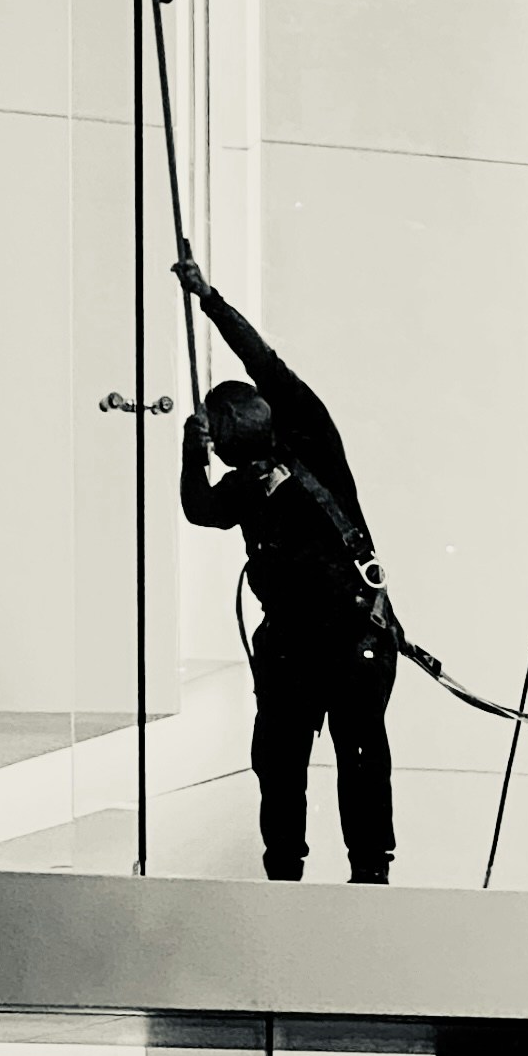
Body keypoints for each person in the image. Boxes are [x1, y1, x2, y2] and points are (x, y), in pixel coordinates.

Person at [176, 261, 395, 885]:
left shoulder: (310, 437)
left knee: (349, 759)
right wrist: (191, 456)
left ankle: (362, 875)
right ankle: (301, 875)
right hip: (310, 645)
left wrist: (210, 301)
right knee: (288, 763)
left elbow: (260, 358)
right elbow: (201, 509)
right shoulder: (250, 484)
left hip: (352, 637)